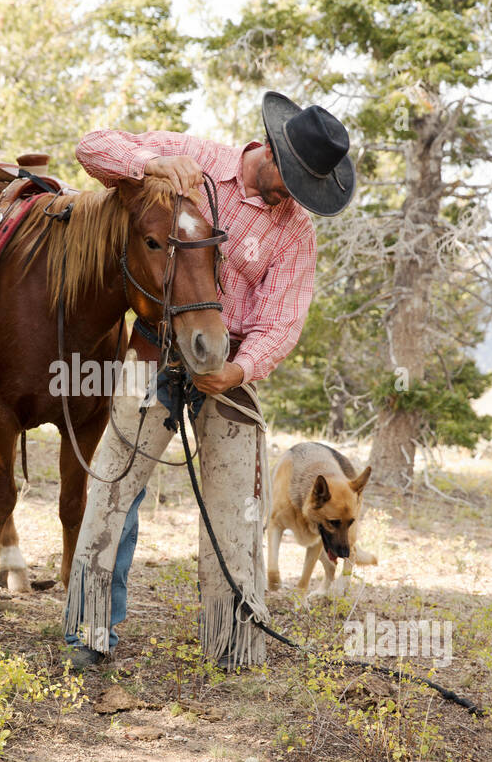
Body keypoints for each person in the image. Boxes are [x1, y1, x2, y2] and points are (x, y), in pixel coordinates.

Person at [63, 91, 356, 673]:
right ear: (269, 149)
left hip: (230, 369)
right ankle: (90, 634)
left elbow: (282, 320)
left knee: (239, 509)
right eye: (288, 180)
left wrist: (240, 370)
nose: (291, 197)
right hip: (156, 352)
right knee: (113, 492)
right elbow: (91, 147)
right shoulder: (194, 159)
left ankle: (234, 643)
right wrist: (147, 165)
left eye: (305, 190)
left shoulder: (294, 230)